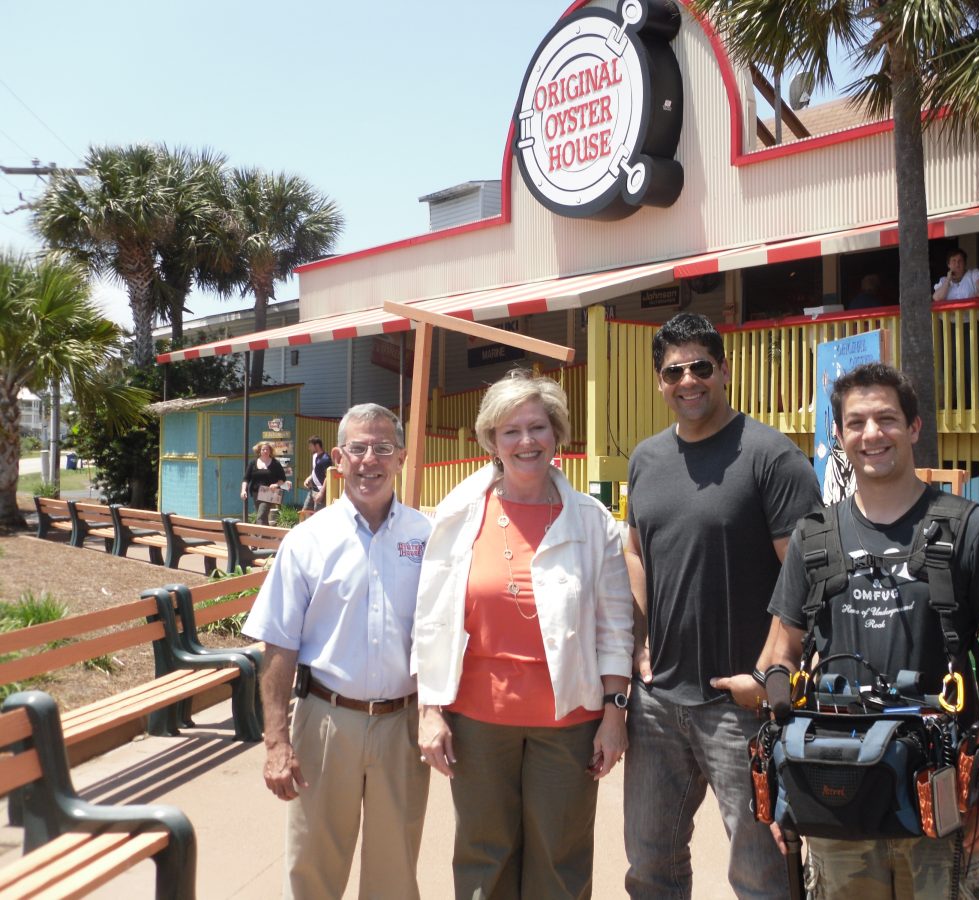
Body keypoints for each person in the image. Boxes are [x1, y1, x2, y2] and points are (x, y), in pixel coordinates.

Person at [767, 363, 979, 898]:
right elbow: (781, 651)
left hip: (941, 795)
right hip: (836, 795)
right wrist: (782, 779)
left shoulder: (968, 529)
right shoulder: (813, 538)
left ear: (914, 427)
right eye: (856, 422)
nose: (872, 434)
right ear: (839, 434)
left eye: (887, 418)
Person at [413, 369, 633, 900]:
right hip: (477, 722)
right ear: (492, 440)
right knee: (483, 861)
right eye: (510, 430)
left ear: (557, 434)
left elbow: (615, 626)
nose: (526, 441)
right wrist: (429, 709)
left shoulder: (592, 521)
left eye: (537, 427)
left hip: (569, 721)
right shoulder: (459, 514)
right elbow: (432, 617)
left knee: (560, 863)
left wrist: (614, 716)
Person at [623, 312, 821, 899]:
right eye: (673, 371)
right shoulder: (646, 459)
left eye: (700, 367)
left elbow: (808, 578)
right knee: (650, 868)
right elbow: (635, 551)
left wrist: (768, 675)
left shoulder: (772, 457)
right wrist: (640, 639)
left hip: (743, 707)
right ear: (659, 382)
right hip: (658, 703)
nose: (688, 380)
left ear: (725, 371)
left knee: (763, 875)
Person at [242, 403, 431, 899]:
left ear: (401, 457)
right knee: (314, 871)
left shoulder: (426, 537)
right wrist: (276, 741)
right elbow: (278, 644)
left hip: (403, 725)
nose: (370, 460)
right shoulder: (308, 540)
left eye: (383, 448)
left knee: (395, 876)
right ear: (339, 459)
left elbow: (441, 634)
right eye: (358, 448)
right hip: (326, 722)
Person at [241, 440, 287, 524]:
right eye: (263, 449)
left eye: (267, 449)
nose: (265, 451)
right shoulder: (253, 463)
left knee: (261, 516)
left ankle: (259, 532)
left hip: (269, 493)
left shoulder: (275, 463)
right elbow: (246, 479)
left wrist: (276, 484)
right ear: (259, 451)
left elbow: (282, 479)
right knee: (263, 517)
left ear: (270, 451)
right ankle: (266, 532)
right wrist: (243, 490)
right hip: (256, 493)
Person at [301, 436, 332, 512]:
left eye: (310, 446)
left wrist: (321, 493)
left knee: (318, 514)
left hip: (321, 491)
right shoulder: (314, 456)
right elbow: (315, 470)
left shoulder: (325, 459)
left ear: (317, 445)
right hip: (312, 489)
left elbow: (328, 476)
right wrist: (308, 478)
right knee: (305, 512)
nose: (309, 448)